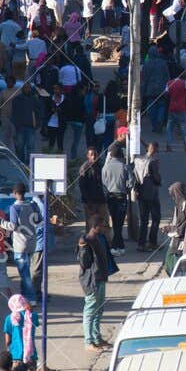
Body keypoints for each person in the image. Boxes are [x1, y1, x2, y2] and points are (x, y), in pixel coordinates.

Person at [78, 219, 117, 353]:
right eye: (102, 225)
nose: (104, 228)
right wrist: (83, 247)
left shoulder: (99, 239)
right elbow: (84, 263)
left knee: (99, 310)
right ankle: (88, 341)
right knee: (90, 311)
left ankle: (96, 338)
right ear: (95, 227)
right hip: (92, 281)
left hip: (100, 278)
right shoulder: (86, 241)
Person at [10, 183, 43, 301]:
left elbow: (13, 226)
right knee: (26, 270)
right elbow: (39, 220)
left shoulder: (14, 208)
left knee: (24, 274)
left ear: (14, 193)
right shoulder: (33, 205)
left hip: (20, 244)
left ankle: (30, 298)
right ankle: (25, 296)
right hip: (32, 243)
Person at [4, 293, 47, 371]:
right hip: (31, 355)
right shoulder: (33, 316)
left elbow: (7, 341)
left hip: (15, 356)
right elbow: (36, 323)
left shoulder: (9, 318)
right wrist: (30, 310)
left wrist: (8, 349)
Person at [102, 142, 132, 254]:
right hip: (121, 196)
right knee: (119, 222)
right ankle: (118, 245)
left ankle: (117, 245)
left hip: (110, 196)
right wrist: (127, 189)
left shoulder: (105, 167)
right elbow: (131, 182)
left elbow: (103, 183)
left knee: (114, 221)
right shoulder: (125, 167)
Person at [134, 142, 162, 250]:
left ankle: (141, 243)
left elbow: (135, 175)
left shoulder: (138, 160)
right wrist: (159, 179)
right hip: (151, 193)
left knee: (144, 219)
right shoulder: (153, 162)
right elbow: (156, 178)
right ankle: (152, 242)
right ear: (155, 150)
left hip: (141, 192)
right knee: (156, 218)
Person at [76, 145, 107, 231]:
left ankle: (103, 242)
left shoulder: (101, 166)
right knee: (91, 225)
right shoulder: (84, 168)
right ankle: (89, 242)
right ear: (88, 156)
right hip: (90, 201)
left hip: (101, 199)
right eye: (92, 155)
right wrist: (87, 201)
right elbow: (82, 187)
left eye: (95, 155)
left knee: (103, 223)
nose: (94, 157)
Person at [164, 72, 186, 150]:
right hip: (181, 108)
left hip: (172, 108)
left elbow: (166, 94)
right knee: (184, 127)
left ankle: (168, 145)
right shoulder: (184, 83)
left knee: (169, 128)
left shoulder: (169, 83)